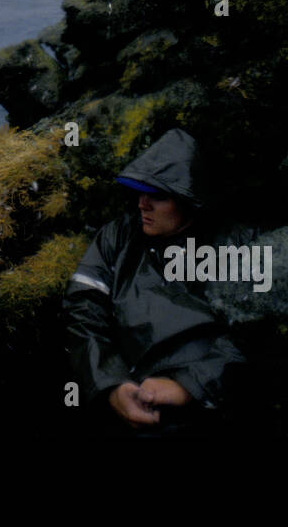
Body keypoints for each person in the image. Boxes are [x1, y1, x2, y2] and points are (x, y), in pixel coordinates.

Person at [64, 128, 245, 433]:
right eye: (139, 191)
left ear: (190, 199)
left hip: (209, 410)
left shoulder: (236, 245)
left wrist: (189, 386)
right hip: (127, 392)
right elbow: (82, 311)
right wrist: (110, 384)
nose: (142, 204)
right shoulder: (117, 237)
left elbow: (254, 337)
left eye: (157, 196)